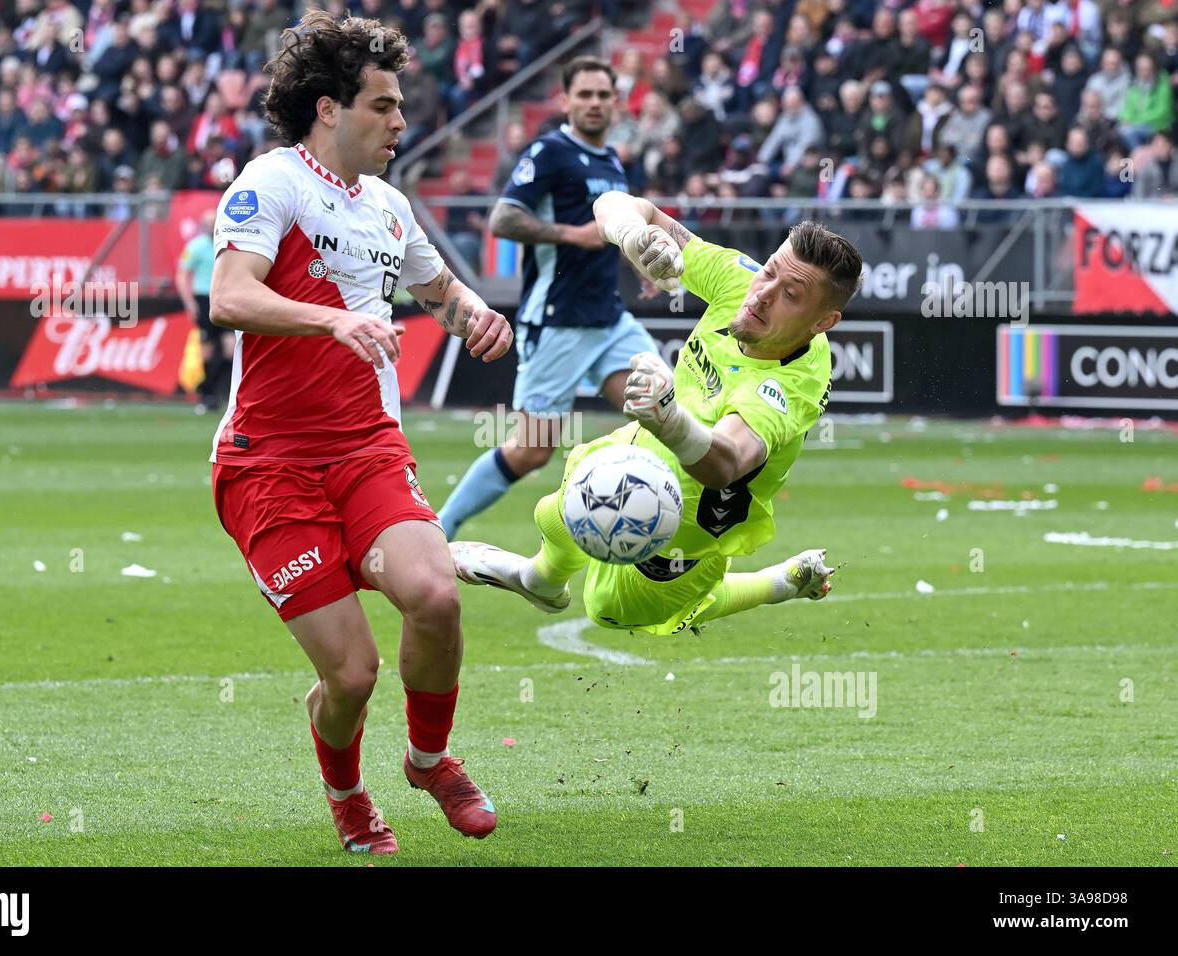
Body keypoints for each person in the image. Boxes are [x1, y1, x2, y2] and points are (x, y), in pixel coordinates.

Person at [207, 10, 513, 856]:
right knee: (350, 676)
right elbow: (229, 296)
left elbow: (435, 288)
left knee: (437, 595)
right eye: (383, 105)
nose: (400, 122)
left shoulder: (387, 206)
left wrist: (476, 316)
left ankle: (429, 759)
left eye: (401, 105)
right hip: (268, 466)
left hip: (367, 449)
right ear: (328, 109)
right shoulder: (273, 182)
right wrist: (330, 323)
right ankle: (346, 794)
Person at [451, 195, 864, 640]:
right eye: (769, 271)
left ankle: (777, 584)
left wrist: (669, 419)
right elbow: (619, 202)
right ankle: (540, 582)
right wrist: (635, 236)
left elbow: (725, 463)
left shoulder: (791, 384)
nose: (761, 294)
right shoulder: (738, 279)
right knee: (557, 511)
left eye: (790, 294)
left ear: (824, 322)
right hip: (642, 454)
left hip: (691, 528)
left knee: (606, 608)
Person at [437, 56, 661, 540]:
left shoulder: (613, 161)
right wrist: (569, 234)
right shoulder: (550, 151)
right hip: (558, 321)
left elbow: (607, 234)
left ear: (616, 102)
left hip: (610, 320)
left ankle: (642, 530)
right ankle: (441, 527)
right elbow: (503, 218)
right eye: (584, 95)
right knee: (532, 449)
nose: (595, 103)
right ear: (565, 101)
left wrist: (639, 265)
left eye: (603, 95)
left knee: (664, 411)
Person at [177, 209, 231, 412]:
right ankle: (208, 395)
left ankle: (210, 388)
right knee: (206, 350)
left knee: (230, 349)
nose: (211, 226)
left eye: (214, 222)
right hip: (203, 298)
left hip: (225, 297)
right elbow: (182, 274)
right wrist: (189, 302)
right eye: (208, 223)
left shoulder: (227, 242)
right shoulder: (196, 246)